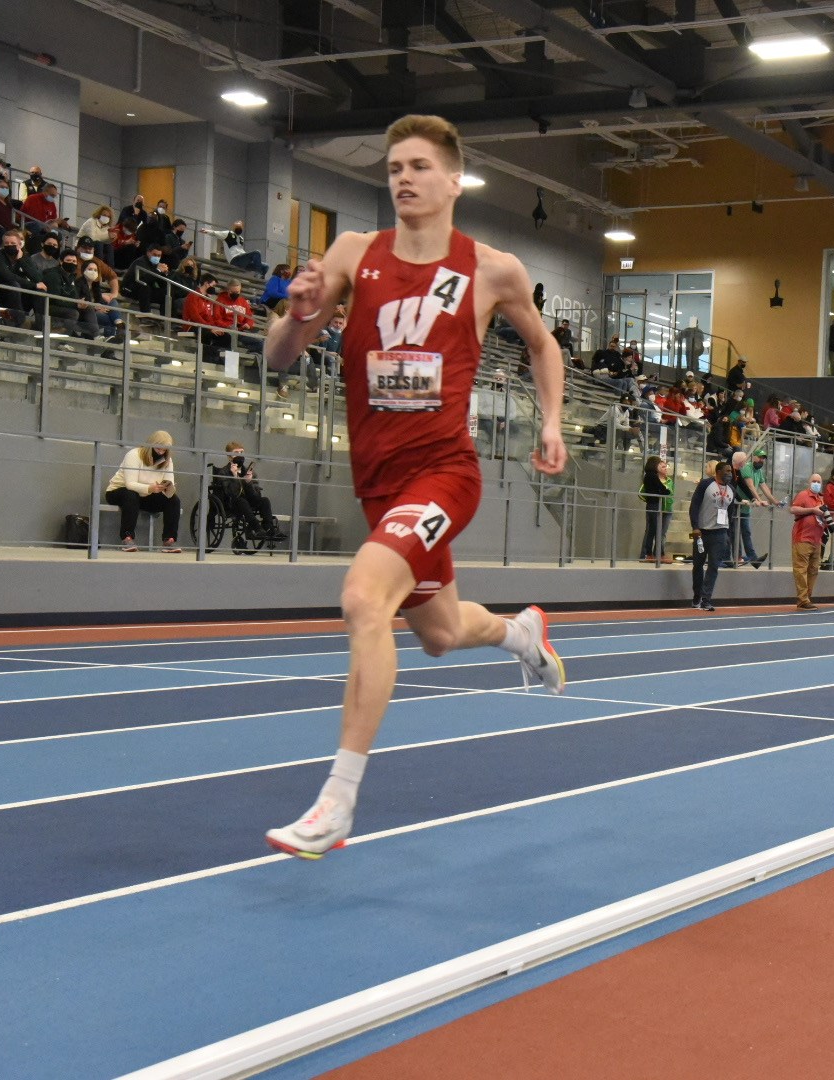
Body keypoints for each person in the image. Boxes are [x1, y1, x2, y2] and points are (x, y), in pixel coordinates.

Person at [259, 114, 567, 860]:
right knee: (436, 633)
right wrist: (300, 316)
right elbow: (278, 356)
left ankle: (337, 801)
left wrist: (550, 422)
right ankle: (520, 632)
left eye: (420, 166)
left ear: (454, 180)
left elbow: (542, 342)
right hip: (377, 479)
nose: (403, 177)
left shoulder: (492, 268)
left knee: (365, 599)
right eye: (394, 166)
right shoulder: (353, 253)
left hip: (445, 473)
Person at [104, 430, 182, 553]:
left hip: (146, 494)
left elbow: (169, 482)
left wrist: (168, 489)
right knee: (131, 495)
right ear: (150, 445)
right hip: (118, 491)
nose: (161, 452)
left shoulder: (167, 460)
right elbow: (130, 484)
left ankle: (169, 540)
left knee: (173, 500)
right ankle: (127, 538)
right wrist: (150, 488)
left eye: (164, 450)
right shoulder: (134, 454)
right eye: (158, 449)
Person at [214, 442, 282, 546]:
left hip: (248, 501)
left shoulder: (249, 472)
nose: (240, 455)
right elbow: (231, 493)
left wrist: (248, 482)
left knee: (264, 500)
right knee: (242, 501)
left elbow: (254, 495)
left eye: (241, 452)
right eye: (236, 452)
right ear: (229, 457)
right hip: (231, 503)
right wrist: (235, 477)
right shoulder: (223, 472)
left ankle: (269, 527)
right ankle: (256, 527)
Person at [688, 459, 734, 611]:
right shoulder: (705, 484)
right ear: (718, 471)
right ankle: (697, 596)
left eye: (731, 471)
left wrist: (727, 533)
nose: (730, 474)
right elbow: (694, 505)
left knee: (714, 566)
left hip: (720, 533)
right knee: (698, 565)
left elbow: (730, 513)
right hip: (702, 532)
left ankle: (706, 599)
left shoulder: (731, 490)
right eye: (727, 471)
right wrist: (695, 527)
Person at [789, 472, 827, 609]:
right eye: (814, 481)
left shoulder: (820, 499)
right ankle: (803, 599)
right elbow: (793, 509)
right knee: (801, 569)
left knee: (813, 570)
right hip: (803, 537)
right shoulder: (803, 495)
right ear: (809, 482)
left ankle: (807, 597)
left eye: (819, 482)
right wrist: (812, 510)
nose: (816, 484)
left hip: (817, 539)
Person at [638, 455, 672, 562]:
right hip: (654, 505)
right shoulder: (652, 476)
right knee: (654, 530)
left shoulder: (648, 476)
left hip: (653, 504)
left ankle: (650, 553)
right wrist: (665, 490)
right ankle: (651, 553)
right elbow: (663, 490)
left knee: (653, 530)